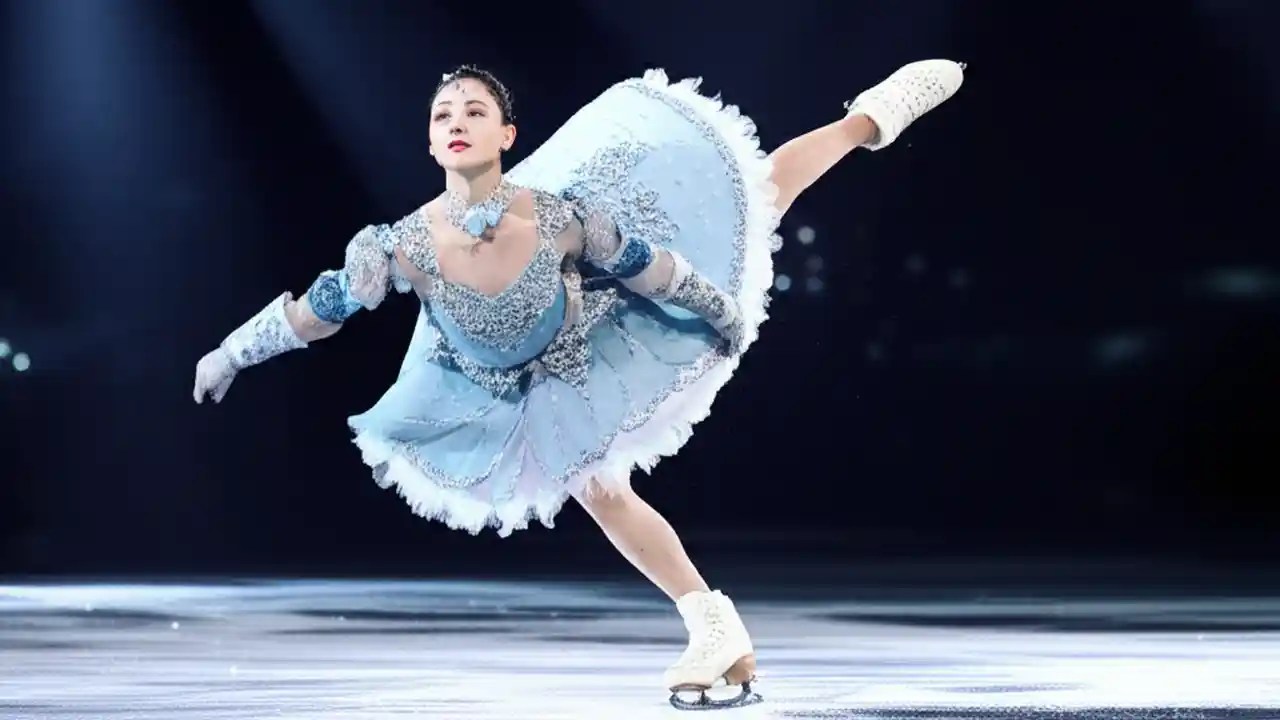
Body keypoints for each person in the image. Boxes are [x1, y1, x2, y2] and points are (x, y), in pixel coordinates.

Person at [193, 60, 964, 710]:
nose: (456, 121)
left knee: (756, 195)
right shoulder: (399, 247)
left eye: (475, 110)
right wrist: (231, 352)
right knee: (598, 487)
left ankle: (867, 119)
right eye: (442, 115)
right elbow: (316, 312)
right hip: (486, 381)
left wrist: (720, 307)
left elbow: (649, 266)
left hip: (590, 338)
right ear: (431, 142)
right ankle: (713, 623)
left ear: (506, 136)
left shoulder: (560, 217)